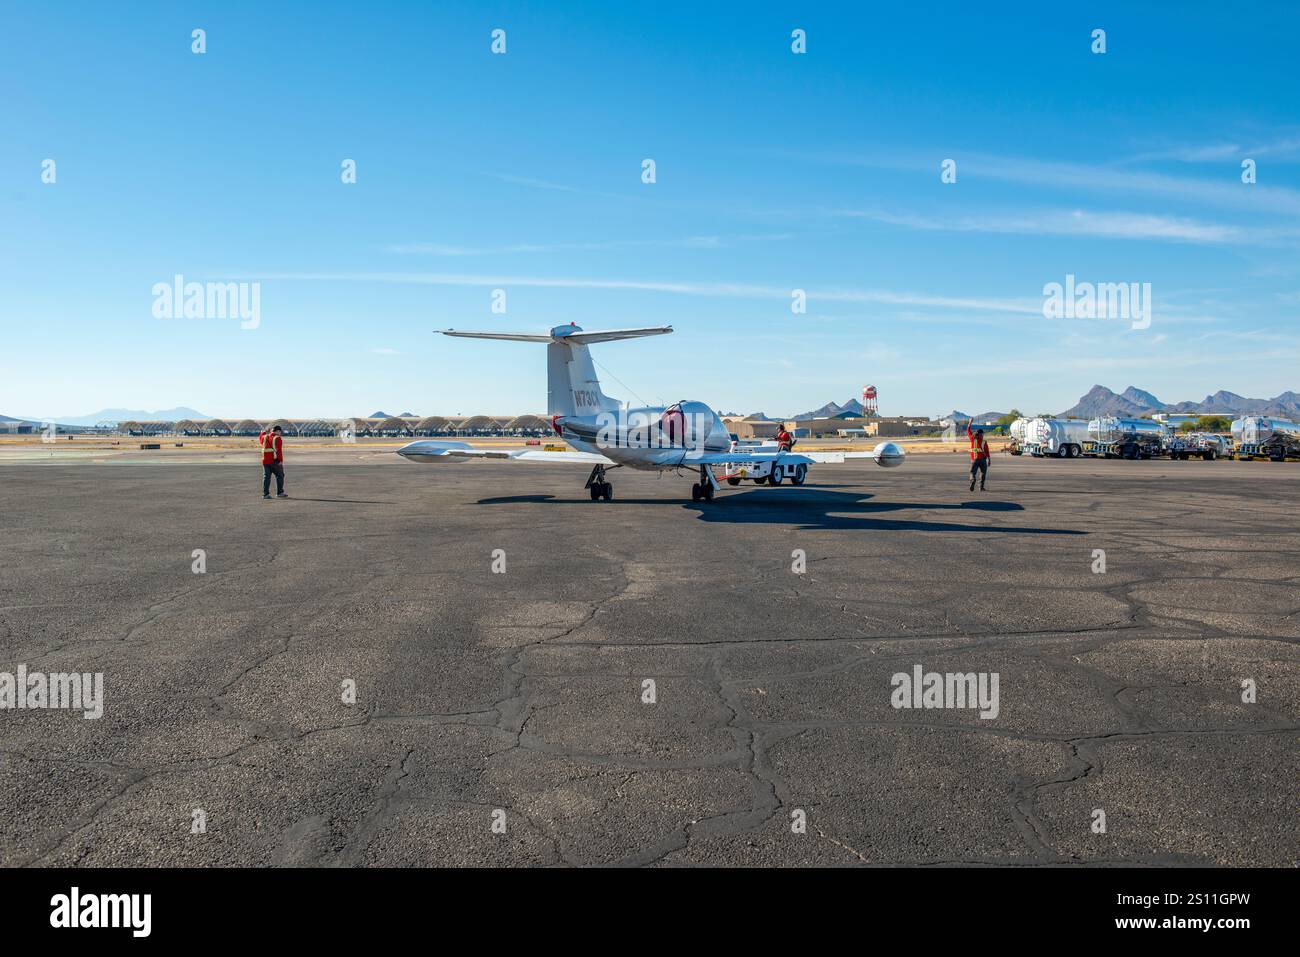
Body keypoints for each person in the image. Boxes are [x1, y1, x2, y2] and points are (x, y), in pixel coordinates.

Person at [259, 425, 287, 499]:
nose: (280, 433)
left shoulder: (265, 437)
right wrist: (281, 460)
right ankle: (280, 492)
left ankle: (265, 494)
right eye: (280, 432)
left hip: (265, 460)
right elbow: (279, 451)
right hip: (274, 461)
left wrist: (264, 432)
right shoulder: (277, 438)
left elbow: (260, 439)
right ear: (278, 431)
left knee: (266, 477)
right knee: (280, 475)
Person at [967, 421, 989, 491]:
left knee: (972, 472)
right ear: (981, 434)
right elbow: (987, 451)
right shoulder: (984, 441)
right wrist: (989, 459)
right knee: (983, 473)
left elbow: (968, 430)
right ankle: (981, 487)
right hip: (983, 460)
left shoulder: (972, 439)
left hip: (974, 459)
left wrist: (969, 423)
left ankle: (972, 480)